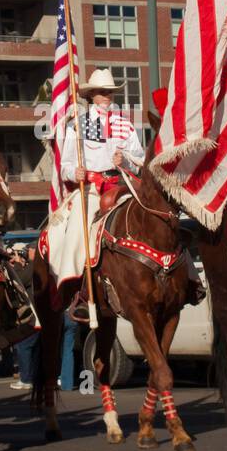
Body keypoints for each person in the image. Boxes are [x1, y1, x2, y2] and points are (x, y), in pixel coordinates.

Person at [44, 69, 146, 314]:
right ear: (91, 96)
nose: (107, 96)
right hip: (90, 189)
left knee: (151, 215)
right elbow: (65, 165)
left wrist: (126, 161)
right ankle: (78, 289)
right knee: (81, 226)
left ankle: (187, 278)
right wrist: (74, 173)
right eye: (102, 92)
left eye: (109, 92)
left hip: (121, 187)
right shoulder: (78, 126)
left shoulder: (124, 123)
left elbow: (140, 159)